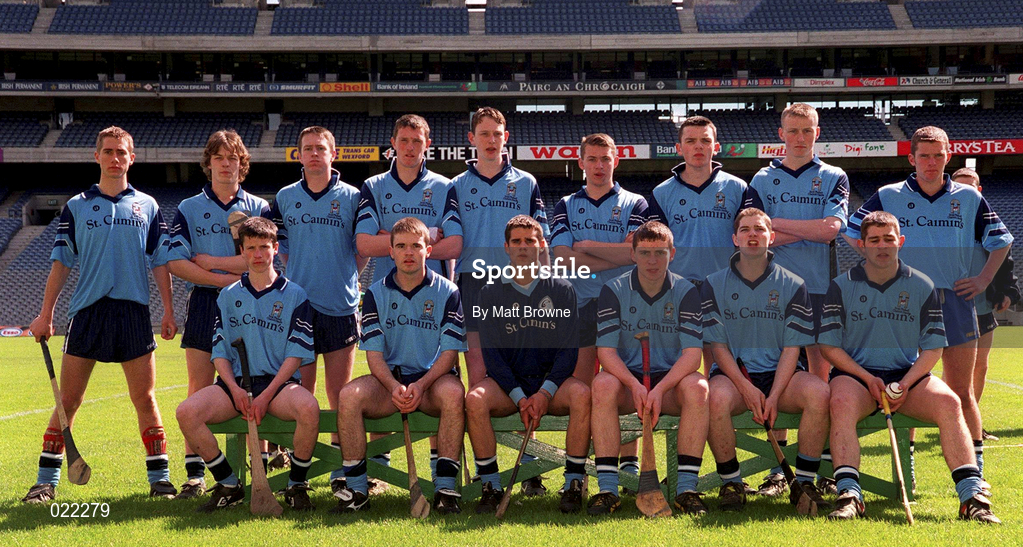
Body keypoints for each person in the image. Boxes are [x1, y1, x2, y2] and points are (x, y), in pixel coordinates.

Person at [845, 127, 1013, 482]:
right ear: (912, 158)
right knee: (902, 386)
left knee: (962, 392)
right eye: (924, 155)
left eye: (938, 155)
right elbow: (851, 230)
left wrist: (982, 280)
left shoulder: (968, 198)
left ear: (948, 156)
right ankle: (907, 467)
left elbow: (1001, 240)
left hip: (953, 301)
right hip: (901, 301)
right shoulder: (888, 195)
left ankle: (976, 476)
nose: (932, 162)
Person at [23, 126, 178, 503]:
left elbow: (160, 262)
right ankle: (46, 481)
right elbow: (61, 263)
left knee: (144, 398)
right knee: (68, 400)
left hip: (133, 312)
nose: (114, 158)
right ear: (97, 156)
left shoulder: (148, 205)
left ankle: (160, 479)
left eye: (121, 152)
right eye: (107, 152)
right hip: (88, 312)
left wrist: (169, 310)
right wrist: (45, 314)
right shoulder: (77, 206)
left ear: (131, 158)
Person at [819, 211, 999, 523]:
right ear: (860, 245)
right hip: (856, 375)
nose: (882, 246)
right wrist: (867, 378)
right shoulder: (840, 285)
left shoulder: (922, 284)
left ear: (900, 241)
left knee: (949, 401)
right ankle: (849, 494)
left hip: (907, 374)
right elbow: (830, 347)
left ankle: (972, 497)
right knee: (840, 401)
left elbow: (932, 347)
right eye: (874, 240)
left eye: (889, 238)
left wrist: (904, 384)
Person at [175, 216, 320, 512]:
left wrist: (265, 396)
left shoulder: (295, 295)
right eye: (251, 248)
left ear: (276, 248)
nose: (257, 255)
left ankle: (297, 485)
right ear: (241, 251)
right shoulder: (227, 296)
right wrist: (234, 389)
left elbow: (295, 356)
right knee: (186, 412)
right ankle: (228, 483)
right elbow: (219, 353)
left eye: (264, 247)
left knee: (309, 408)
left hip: (278, 386)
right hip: (236, 385)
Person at [744, 103, 849, 496]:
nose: (800, 137)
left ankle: (819, 468)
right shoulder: (762, 178)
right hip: (773, 289)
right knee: (778, 374)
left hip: (820, 289)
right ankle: (778, 469)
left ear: (817, 133)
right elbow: (755, 236)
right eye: (793, 130)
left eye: (807, 130)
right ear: (781, 133)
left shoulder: (834, 175)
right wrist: (803, 228)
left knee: (819, 379)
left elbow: (830, 231)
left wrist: (775, 225)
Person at [702, 208, 831, 514]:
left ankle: (806, 481)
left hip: (782, 377)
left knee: (819, 393)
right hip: (735, 376)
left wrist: (773, 395)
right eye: (745, 230)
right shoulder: (713, 283)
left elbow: (791, 348)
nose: (752, 235)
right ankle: (731, 481)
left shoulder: (793, 283)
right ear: (735, 239)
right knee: (714, 397)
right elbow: (717, 346)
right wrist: (745, 389)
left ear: (771, 238)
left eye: (759, 229)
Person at [354, 114, 462, 482]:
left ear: (427, 144)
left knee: (437, 378)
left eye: (418, 141)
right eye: (404, 140)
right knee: (387, 373)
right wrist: (421, 237)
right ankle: (378, 474)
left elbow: (455, 244)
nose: (411, 147)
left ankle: (440, 475)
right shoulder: (373, 185)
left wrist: (406, 239)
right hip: (386, 297)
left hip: (433, 293)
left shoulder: (444, 186)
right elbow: (364, 243)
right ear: (393, 143)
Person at [334, 217, 466, 515]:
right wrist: (395, 387)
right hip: (389, 384)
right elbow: (375, 355)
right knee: (348, 395)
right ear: (390, 251)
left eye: (416, 246)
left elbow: (449, 353)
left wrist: (421, 385)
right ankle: (356, 490)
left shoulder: (448, 291)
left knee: (454, 394)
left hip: (433, 381)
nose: (409, 252)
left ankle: (445, 488)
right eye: (401, 246)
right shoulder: (375, 294)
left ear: (428, 251)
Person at [167, 130, 269, 498]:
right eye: (219, 158)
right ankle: (195, 476)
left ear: (242, 165)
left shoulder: (258, 207)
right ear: (208, 164)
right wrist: (219, 277)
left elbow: (262, 259)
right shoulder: (189, 207)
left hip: (249, 305)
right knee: (197, 387)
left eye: (233, 158)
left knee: (254, 382)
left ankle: (262, 460)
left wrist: (212, 261)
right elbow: (176, 261)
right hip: (206, 303)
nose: (226, 164)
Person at [466, 215, 589, 514]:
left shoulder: (562, 289)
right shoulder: (490, 292)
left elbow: (567, 352)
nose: (523, 247)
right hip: (510, 387)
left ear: (541, 245)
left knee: (582, 394)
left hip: (551, 384)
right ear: (506, 247)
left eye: (530, 241)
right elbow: (492, 356)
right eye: (517, 242)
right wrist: (521, 397)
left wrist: (544, 393)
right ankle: (491, 485)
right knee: (474, 399)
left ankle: (573, 482)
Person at [587, 221, 709, 516]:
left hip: (670, 384)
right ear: (632, 254)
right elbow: (606, 352)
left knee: (699, 386)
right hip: (629, 383)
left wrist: (661, 388)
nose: (652, 261)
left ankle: (686, 489)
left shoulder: (686, 290)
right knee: (602, 384)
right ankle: (607, 489)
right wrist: (635, 386)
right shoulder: (613, 290)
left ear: (672, 254)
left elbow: (693, 356)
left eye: (660, 253)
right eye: (644, 253)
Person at [269, 126, 364, 493]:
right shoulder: (285, 196)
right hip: (300, 309)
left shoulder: (353, 197)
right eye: (307, 148)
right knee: (300, 395)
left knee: (339, 395)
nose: (313, 154)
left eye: (320, 148)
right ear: (299, 155)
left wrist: (343, 277)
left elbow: (360, 249)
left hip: (340, 307)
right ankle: (299, 473)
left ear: (332, 153)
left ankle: (342, 470)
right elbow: (283, 249)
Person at [550, 133, 647, 483]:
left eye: (605, 158)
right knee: (581, 389)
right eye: (592, 159)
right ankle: (578, 469)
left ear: (615, 161)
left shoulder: (636, 203)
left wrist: (587, 246)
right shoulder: (564, 204)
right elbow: (562, 259)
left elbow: (634, 253)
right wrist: (614, 253)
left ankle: (630, 464)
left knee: (627, 382)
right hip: (578, 306)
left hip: (623, 305)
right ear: (581, 163)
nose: (599, 165)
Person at [453, 106, 550, 387]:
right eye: (484, 134)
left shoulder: (526, 182)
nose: (491, 140)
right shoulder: (456, 185)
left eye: (496, 134)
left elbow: (542, 241)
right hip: (474, 280)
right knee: (478, 366)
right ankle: (483, 428)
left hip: (518, 281)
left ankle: (524, 429)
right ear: (472, 138)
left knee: (521, 364)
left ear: (505, 136)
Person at [950, 168, 1021, 441]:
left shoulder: (991, 223)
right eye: (960, 186)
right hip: (943, 304)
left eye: (971, 186)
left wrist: (1008, 291)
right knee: (934, 364)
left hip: (980, 304)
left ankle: (972, 421)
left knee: (980, 366)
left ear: (979, 191)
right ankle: (946, 418)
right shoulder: (942, 222)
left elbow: (1006, 262)